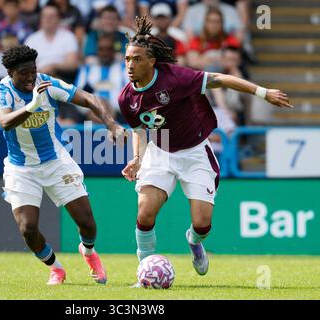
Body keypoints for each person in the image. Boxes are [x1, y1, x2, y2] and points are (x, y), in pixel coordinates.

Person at [118, 16, 293, 285]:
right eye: (128, 59)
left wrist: (263, 92)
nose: (131, 65)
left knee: (202, 223)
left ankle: (194, 241)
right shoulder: (126, 98)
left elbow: (221, 79)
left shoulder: (176, 78)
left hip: (195, 152)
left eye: (137, 59)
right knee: (145, 211)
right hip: (161, 150)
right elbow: (139, 130)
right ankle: (145, 269)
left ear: (152, 61)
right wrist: (137, 159)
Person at [0, 45, 124, 285]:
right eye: (23, 73)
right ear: (10, 73)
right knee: (27, 228)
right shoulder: (2, 91)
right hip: (21, 168)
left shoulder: (47, 84)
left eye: (33, 70)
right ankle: (56, 269)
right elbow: (5, 122)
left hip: (56, 162)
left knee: (87, 224)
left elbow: (90, 98)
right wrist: (32, 105)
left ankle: (89, 252)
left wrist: (111, 124)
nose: (31, 77)